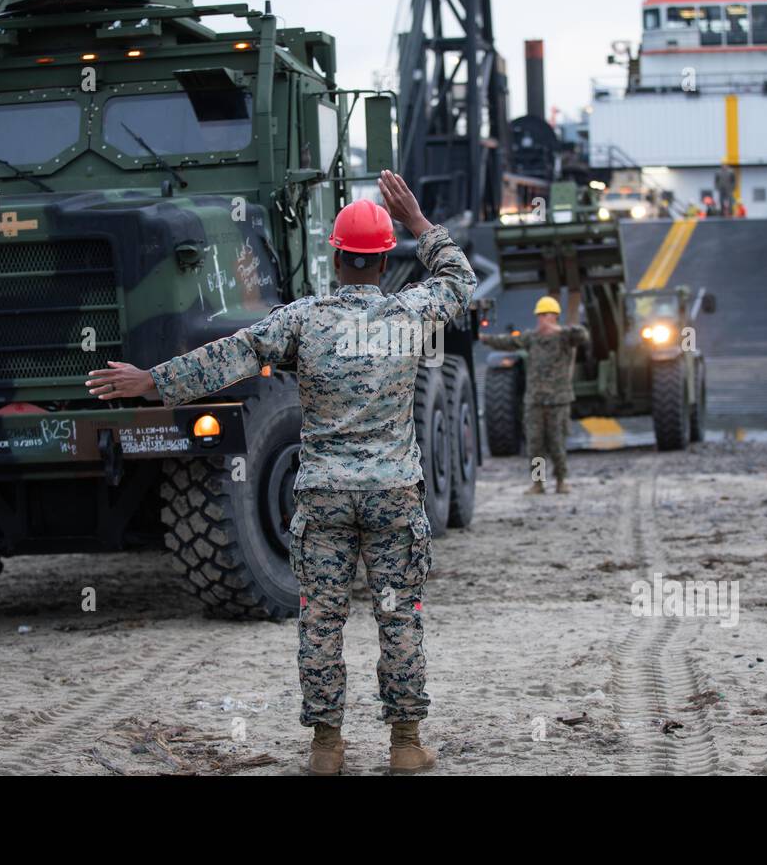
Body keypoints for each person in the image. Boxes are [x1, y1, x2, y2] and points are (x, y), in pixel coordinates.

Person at [85, 172, 476, 775]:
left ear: (336, 256)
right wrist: (418, 222)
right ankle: (404, 743)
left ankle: (325, 748)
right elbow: (459, 281)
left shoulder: (302, 320)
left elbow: (226, 358)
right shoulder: (410, 314)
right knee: (398, 615)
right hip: (392, 494)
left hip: (322, 497)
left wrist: (150, 382)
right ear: (380, 260)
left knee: (321, 620)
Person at [480, 296, 589, 494]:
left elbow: (583, 336)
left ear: (554, 316)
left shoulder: (565, 337)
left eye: (545, 315)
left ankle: (561, 481)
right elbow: (509, 342)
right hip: (535, 401)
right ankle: (538, 483)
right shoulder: (532, 338)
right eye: (539, 316)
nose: (541, 319)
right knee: (535, 445)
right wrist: (485, 338)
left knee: (557, 444)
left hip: (558, 400)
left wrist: (560, 329)